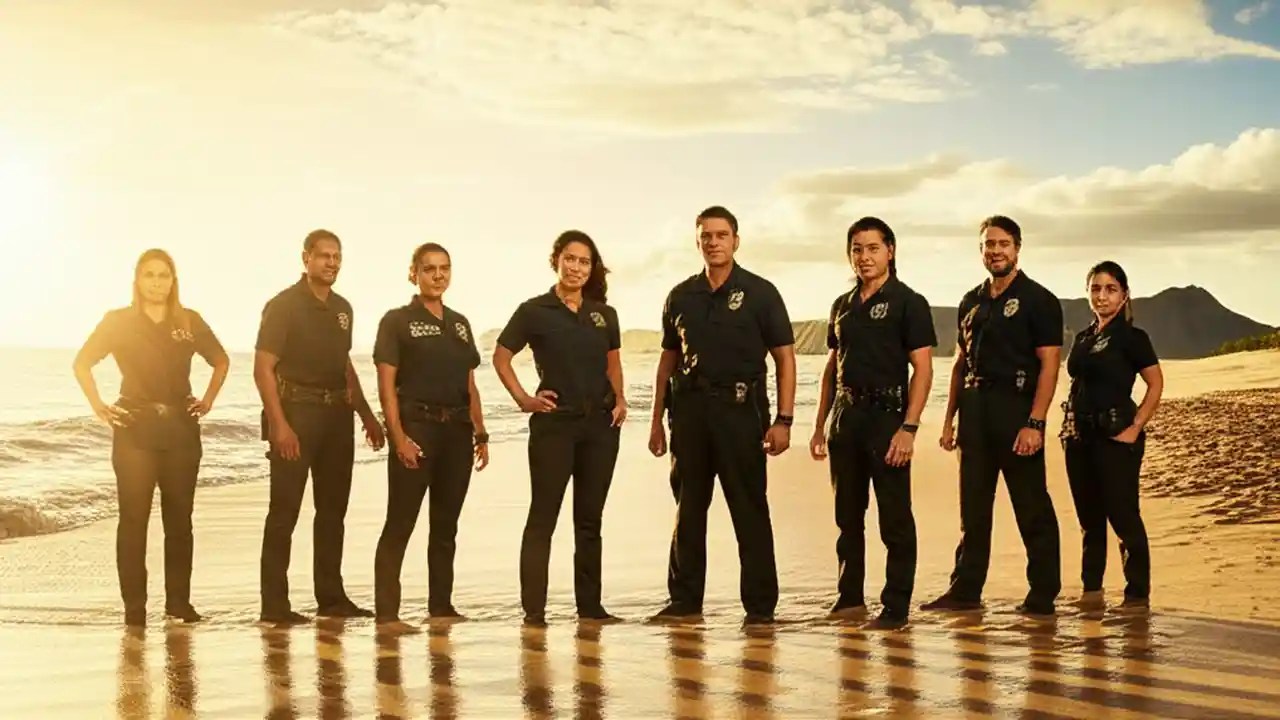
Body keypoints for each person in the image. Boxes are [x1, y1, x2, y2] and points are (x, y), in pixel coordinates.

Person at [648, 205, 797, 626]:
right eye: (706, 236)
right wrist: (657, 420)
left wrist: (784, 420)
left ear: (736, 240)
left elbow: (784, 358)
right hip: (690, 416)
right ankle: (684, 603)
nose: (714, 242)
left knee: (749, 509)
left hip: (741, 413)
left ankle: (760, 607)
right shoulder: (680, 296)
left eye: (721, 235)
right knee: (689, 509)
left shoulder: (761, 292)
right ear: (698, 242)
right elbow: (667, 362)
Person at [72, 249, 230, 626]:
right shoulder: (118, 321)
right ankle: (135, 610)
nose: (157, 282)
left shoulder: (189, 320)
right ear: (137, 280)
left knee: (180, 522)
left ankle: (179, 604)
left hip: (180, 431)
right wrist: (99, 406)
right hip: (134, 431)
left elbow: (221, 360)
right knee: (133, 521)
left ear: (173, 280)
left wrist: (207, 400)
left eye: (164, 275)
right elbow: (82, 362)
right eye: (149, 275)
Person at [922, 215, 1064, 617]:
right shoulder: (971, 301)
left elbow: (1050, 364)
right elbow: (959, 363)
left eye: (1003, 244)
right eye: (988, 244)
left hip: (1017, 411)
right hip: (975, 412)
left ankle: (1042, 593)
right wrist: (949, 420)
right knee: (973, 509)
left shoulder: (1039, 299)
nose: (995, 251)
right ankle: (965, 590)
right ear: (981, 250)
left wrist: (1035, 422)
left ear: (1018, 248)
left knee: (1031, 506)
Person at [493, 230, 627, 627]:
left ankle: (591, 608)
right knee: (543, 517)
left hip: (600, 427)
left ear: (592, 268)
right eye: (570, 259)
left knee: (590, 519)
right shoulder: (534, 311)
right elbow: (501, 358)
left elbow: (612, 362)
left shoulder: (605, 313)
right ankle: (534, 612)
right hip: (555, 426)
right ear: (557, 260)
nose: (576, 267)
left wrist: (620, 400)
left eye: (584, 261)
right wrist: (523, 399)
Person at [254, 229, 386, 625]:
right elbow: (263, 368)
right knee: (284, 512)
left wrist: (365, 414)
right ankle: (273, 605)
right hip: (296, 412)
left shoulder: (343, 308)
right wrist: (280, 425)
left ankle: (331, 598)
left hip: (336, 418)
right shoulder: (283, 306)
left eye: (337, 256)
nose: (331, 262)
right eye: (323, 255)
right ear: (306, 258)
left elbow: (344, 366)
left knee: (332, 511)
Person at [809, 217, 935, 630]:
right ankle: (849, 598)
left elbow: (922, 369)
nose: (865, 257)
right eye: (857, 249)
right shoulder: (842, 306)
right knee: (848, 515)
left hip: (887, 418)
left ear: (890, 251)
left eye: (873, 248)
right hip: (846, 418)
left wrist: (910, 427)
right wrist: (819, 424)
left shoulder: (908, 302)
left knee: (894, 518)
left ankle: (895, 606)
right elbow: (833, 366)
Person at [372, 242, 490, 632]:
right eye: (429, 269)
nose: (438, 275)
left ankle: (441, 606)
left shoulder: (460, 323)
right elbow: (386, 385)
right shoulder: (397, 321)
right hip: (417, 428)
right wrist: (398, 437)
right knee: (400, 522)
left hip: (457, 432)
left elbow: (469, 384)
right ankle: (388, 615)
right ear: (414, 273)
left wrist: (481, 431)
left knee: (446, 525)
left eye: (444, 268)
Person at [1060, 261, 1162, 611]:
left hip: (1116, 437)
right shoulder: (1085, 336)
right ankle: (1092, 591)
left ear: (1124, 294)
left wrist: (1135, 428)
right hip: (1078, 437)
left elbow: (1156, 384)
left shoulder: (1133, 338)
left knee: (1123, 516)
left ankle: (1136, 594)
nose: (1101, 296)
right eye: (1095, 289)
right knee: (1090, 520)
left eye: (1110, 289)